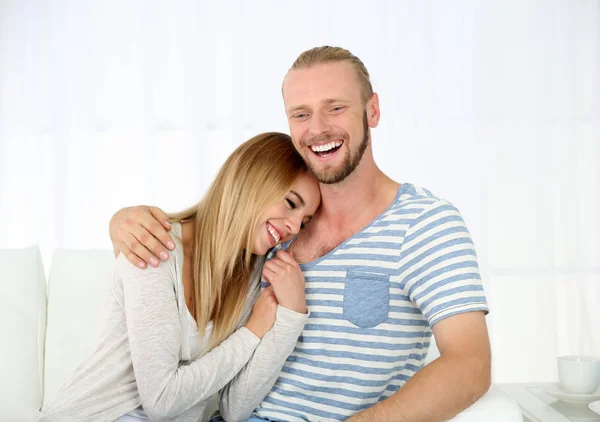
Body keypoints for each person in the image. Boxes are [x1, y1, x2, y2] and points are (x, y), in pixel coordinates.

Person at [111, 46, 491, 422]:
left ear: (372, 110)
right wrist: (124, 222)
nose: (318, 128)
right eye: (301, 114)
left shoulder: (425, 223)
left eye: (336, 107)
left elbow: (470, 365)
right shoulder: (273, 232)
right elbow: (199, 252)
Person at [39, 132, 320, 421]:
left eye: (305, 221)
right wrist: (252, 333)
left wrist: (291, 317)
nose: (295, 227)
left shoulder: (250, 279)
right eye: (291, 203)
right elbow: (161, 401)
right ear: (251, 182)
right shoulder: (155, 244)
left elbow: (235, 409)